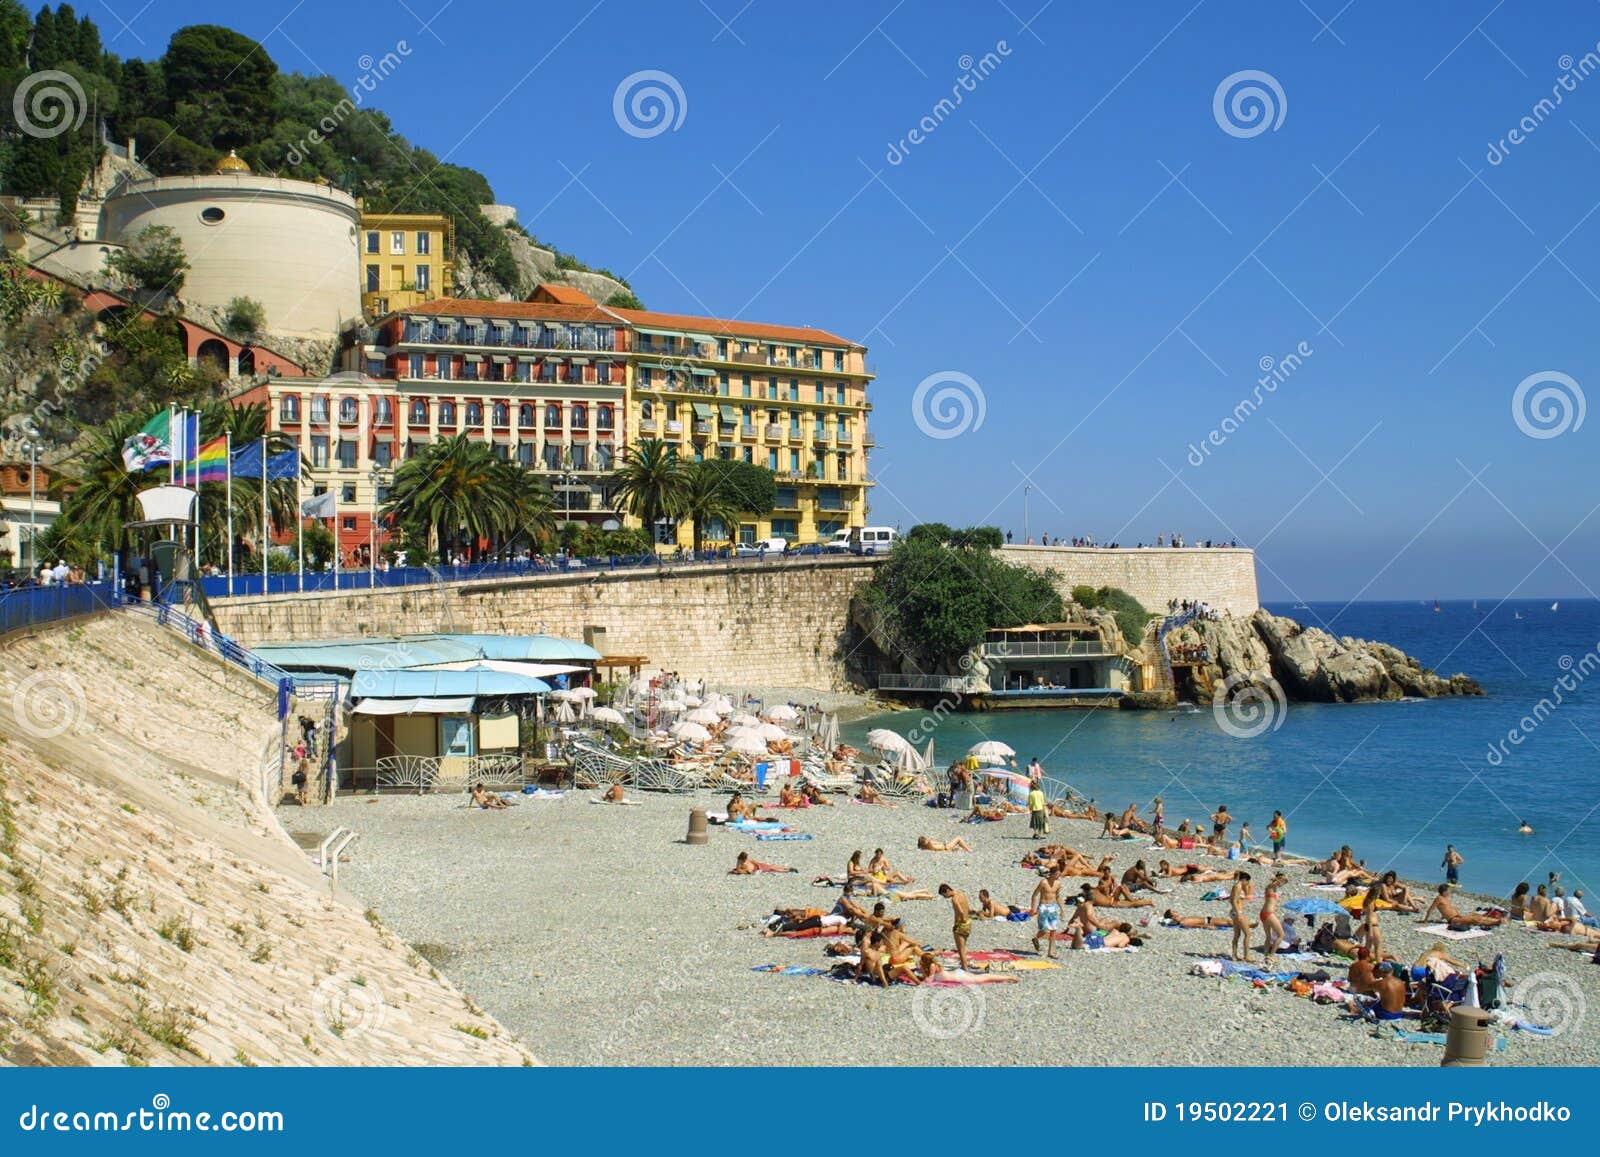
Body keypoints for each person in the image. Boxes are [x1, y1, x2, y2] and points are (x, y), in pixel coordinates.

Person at [939, 883, 974, 971]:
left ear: (947, 891)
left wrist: (962, 920)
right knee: (963, 946)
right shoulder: (962, 894)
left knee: (960, 948)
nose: (945, 897)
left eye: (944, 895)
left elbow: (961, 912)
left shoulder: (954, 899)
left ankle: (964, 967)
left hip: (961, 924)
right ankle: (964, 963)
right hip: (968, 923)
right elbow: (969, 909)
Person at [1030, 868, 1065, 958]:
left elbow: (1057, 896)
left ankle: (1050, 952)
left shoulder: (1058, 884)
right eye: (1056, 874)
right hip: (1044, 907)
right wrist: (1033, 908)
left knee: (1053, 930)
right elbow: (1035, 895)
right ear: (1052, 874)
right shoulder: (1043, 882)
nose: (1058, 876)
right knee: (1044, 929)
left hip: (1053, 907)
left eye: (1059, 874)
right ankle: (1036, 938)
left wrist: (1062, 909)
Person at [1229, 871, 1254, 962]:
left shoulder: (1237, 886)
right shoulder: (1238, 887)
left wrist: (1248, 886)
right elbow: (1233, 901)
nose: (1247, 883)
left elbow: (1247, 894)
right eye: (1247, 881)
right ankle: (1246, 956)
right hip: (1237, 912)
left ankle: (1234, 955)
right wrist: (1238, 913)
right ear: (1244, 880)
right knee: (1248, 934)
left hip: (1234, 912)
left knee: (1237, 934)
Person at [730, 851, 797, 875]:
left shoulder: (746, 859)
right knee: (772, 869)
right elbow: (739, 870)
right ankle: (787, 870)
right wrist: (748, 871)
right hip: (755, 869)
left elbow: (754, 861)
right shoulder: (739, 862)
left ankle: (788, 868)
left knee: (772, 866)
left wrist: (758, 865)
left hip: (758, 866)